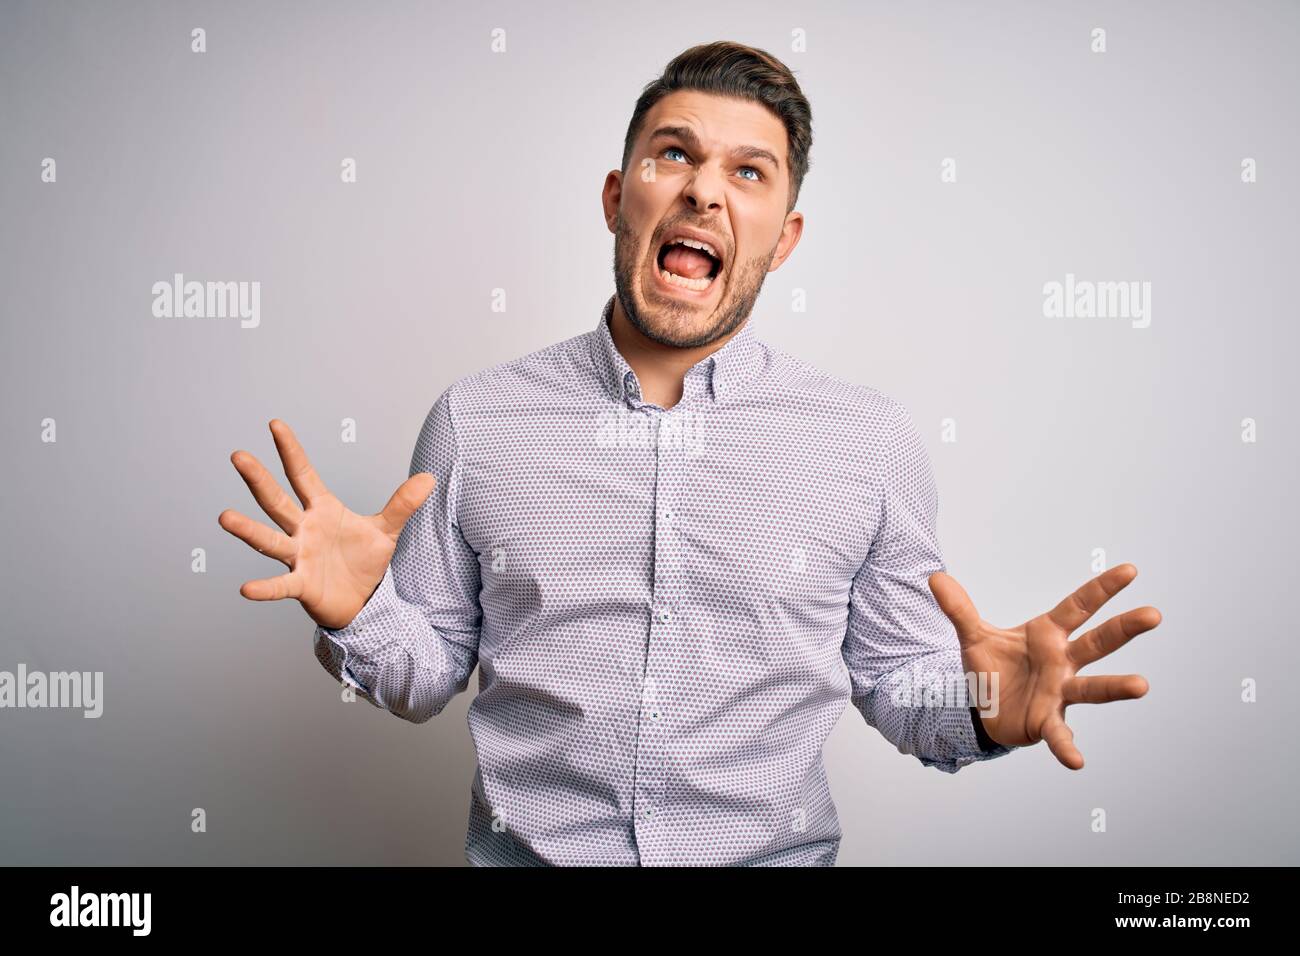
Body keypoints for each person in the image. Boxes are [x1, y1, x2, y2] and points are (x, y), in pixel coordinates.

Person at [217, 40, 1161, 866]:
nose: (705, 188)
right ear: (618, 196)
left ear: (783, 239)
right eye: (675, 155)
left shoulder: (868, 443)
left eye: (750, 172)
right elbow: (423, 676)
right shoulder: (476, 420)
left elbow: (896, 683)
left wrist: (989, 703)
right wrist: (360, 613)